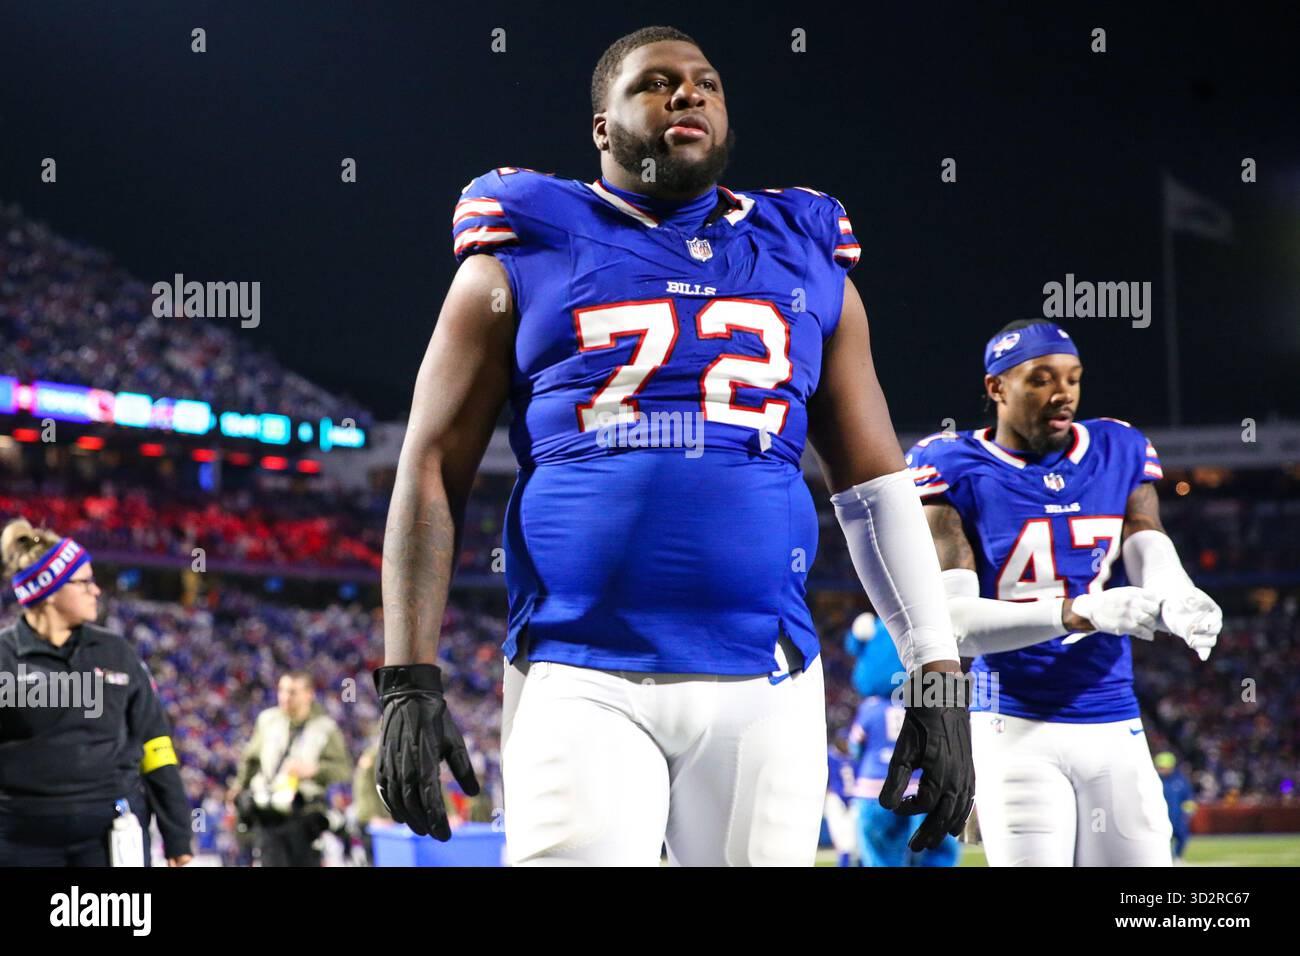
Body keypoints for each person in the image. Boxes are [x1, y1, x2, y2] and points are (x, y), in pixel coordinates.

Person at [374, 25, 973, 866]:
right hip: (580, 669)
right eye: (655, 83)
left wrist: (934, 667)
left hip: (767, 672)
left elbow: (873, 486)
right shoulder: (524, 251)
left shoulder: (804, 257)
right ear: (603, 126)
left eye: (706, 83)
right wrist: (408, 677)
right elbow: (432, 466)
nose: (688, 93)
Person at [908, 319, 1222, 866]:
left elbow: (1144, 537)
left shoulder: (1117, 447)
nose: (1063, 394)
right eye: (1041, 379)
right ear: (996, 388)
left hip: (1113, 713)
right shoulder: (954, 464)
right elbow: (953, 620)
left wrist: (1178, 595)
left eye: (1073, 379)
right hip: (1012, 720)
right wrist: (1079, 612)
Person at [0, 518, 193, 866]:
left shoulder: (116, 653)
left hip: (108, 838)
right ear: (50, 591)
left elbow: (156, 745)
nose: (96, 590)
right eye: (84, 582)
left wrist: (178, 836)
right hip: (21, 842)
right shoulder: (4, 658)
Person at [846, 614, 960, 867]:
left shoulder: (871, 708)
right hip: (921, 785)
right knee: (933, 850)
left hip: (874, 786)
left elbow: (855, 746)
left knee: (882, 855)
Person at [229, 671, 352, 866]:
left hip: (304, 815)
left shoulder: (325, 727)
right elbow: (250, 760)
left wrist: (315, 770)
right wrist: (238, 787)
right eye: (282, 690)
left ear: (308, 694)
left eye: (292, 692)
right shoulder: (267, 720)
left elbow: (343, 770)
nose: (285, 697)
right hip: (268, 813)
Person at [824, 731, 859, 867]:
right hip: (835, 799)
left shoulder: (854, 758)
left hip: (853, 799)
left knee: (854, 842)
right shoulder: (829, 756)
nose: (846, 744)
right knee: (841, 840)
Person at [1155, 751, 1196, 861]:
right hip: (1160, 817)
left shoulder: (1181, 781)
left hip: (1178, 817)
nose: (1160, 770)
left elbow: (1189, 798)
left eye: (1163, 767)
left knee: (1182, 837)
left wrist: (1187, 814)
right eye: (1159, 767)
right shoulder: (1154, 780)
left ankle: (1177, 857)